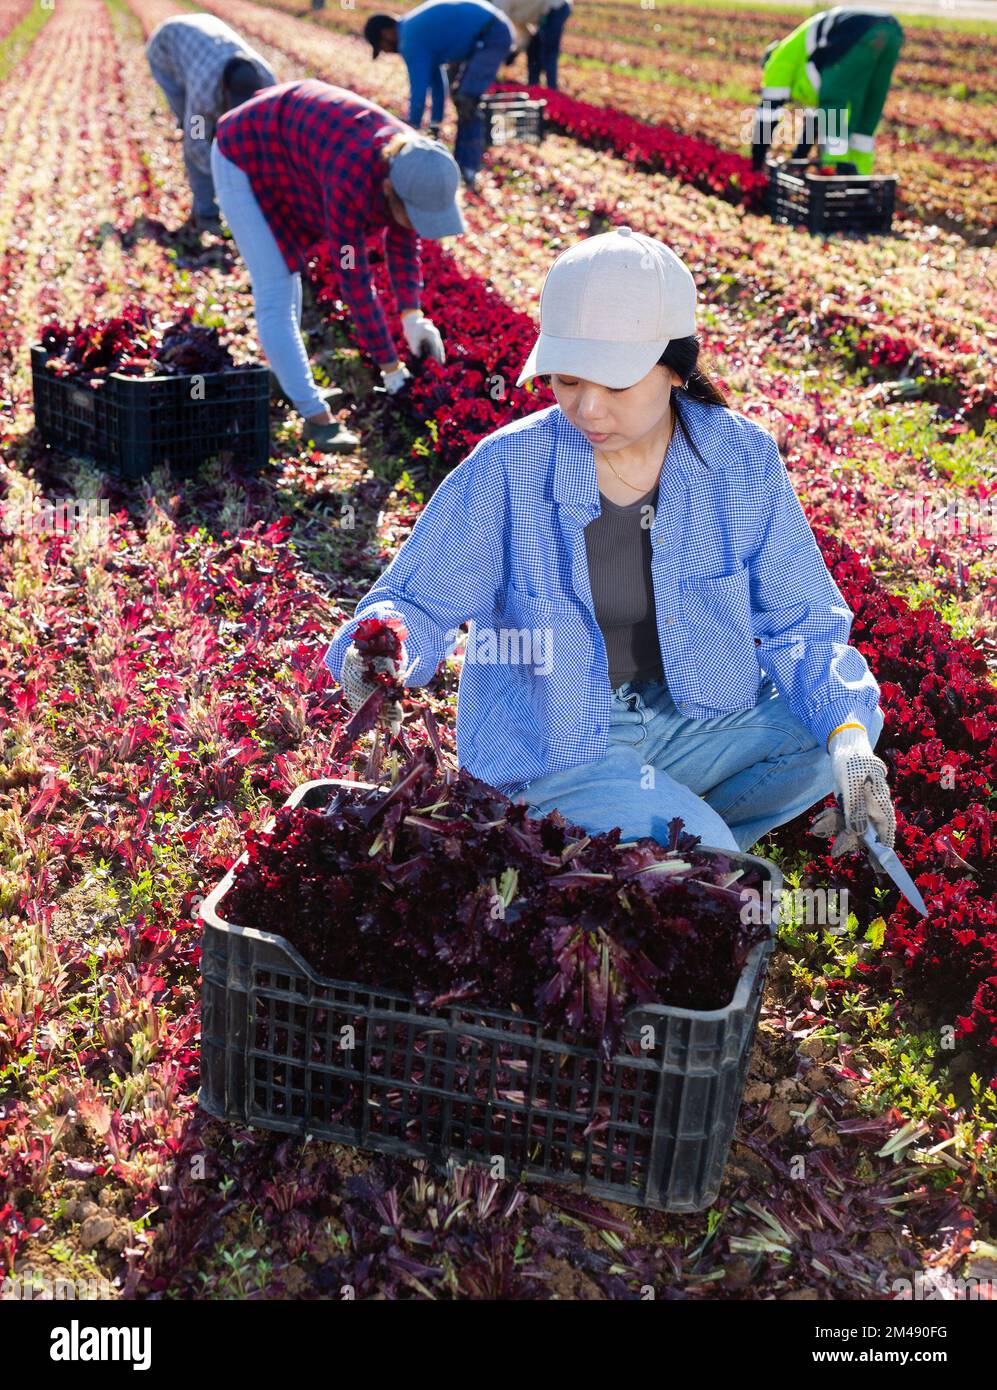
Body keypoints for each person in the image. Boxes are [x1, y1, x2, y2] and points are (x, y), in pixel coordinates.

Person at [325, 227, 897, 858]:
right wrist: (379, 647)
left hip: (690, 719)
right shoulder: (510, 470)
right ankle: (659, 837)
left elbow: (803, 624)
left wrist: (850, 741)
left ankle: (662, 837)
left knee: (824, 732)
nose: (588, 409)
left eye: (616, 385)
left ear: (677, 370)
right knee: (702, 858)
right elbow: (415, 603)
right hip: (558, 738)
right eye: (567, 381)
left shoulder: (738, 460)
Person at [212, 80, 463, 454]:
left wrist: (413, 315)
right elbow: (355, 282)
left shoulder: (413, 159)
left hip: (289, 150)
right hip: (245, 154)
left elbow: (403, 238)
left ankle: (292, 380)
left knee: (286, 278)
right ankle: (316, 419)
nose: (417, 223)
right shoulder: (352, 176)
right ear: (390, 193)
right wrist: (390, 366)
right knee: (277, 288)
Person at [146, 14, 277, 234]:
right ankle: (205, 213)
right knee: (197, 137)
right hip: (166, 51)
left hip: (204, 39)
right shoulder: (202, 93)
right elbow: (196, 144)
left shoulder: (268, 82)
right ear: (225, 91)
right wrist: (227, 178)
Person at [364, 1, 517, 187]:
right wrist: (434, 126)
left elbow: (418, 91)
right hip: (489, 29)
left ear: (386, 34)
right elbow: (437, 85)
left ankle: (468, 169)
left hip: (492, 34)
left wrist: (410, 129)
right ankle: (462, 166)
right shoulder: (413, 31)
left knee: (467, 100)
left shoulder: (410, 40)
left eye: (382, 47)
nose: (387, 52)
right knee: (462, 97)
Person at [751, 7, 904, 175]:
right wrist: (797, 160)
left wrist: (756, 163)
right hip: (891, 30)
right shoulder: (804, 65)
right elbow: (813, 123)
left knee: (833, 104)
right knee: (867, 110)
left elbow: (767, 115)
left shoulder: (777, 63)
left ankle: (834, 175)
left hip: (858, 30)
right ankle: (860, 180)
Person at [526, 0, 572, 89]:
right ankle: (534, 85)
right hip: (546, 10)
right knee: (534, 47)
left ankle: (551, 88)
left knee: (549, 50)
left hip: (557, 7)